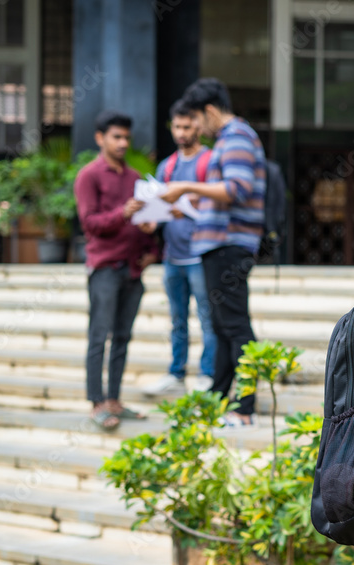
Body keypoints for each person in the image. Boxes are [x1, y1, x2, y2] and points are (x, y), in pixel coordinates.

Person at [160, 78, 266, 428]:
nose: (197, 130)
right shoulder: (229, 138)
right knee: (222, 327)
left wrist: (187, 186)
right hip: (218, 243)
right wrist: (190, 202)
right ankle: (220, 401)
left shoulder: (235, 136)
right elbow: (224, 191)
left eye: (197, 120)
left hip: (228, 244)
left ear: (208, 111)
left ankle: (245, 406)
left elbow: (237, 188)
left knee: (234, 326)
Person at [74, 110, 157, 430]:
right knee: (100, 336)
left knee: (122, 337)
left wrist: (152, 249)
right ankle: (97, 403)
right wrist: (122, 212)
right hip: (104, 269)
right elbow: (90, 224)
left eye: (126, 137)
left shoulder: (136, 178)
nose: (123, 143)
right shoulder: (89, 176)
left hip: (133, 271)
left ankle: (114, 400)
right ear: (100, 138)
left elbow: (145, 223)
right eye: (116, 137)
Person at [140, 99, 217, 396]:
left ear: (199, 126)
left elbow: (217, 199)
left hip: (201, 254)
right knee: (177, 319)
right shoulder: (167, 166)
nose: (182, 132)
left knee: (207, 318)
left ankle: (207, 374)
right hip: (173, 256)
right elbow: (158, 207)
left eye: (187, 126)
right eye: (177, 126)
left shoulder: (209, 161)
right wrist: (149, 221)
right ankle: (176, 372)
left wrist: (185, 205)